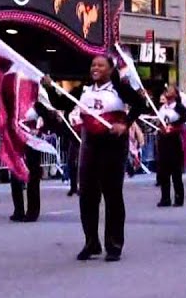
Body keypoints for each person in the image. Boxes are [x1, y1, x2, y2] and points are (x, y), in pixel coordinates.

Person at [42, 56, 145, 262]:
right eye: (93, 65)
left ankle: (114, 244)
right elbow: (62, 102)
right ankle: (91, 242)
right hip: (89, 143)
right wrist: (50, 87)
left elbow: (140, 104)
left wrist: (124, 124)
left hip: (113, 144)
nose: (96, 68)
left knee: (112, 194)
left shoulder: (119, 88)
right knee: (87, 195)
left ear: (110, 69)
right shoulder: (84, 89)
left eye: (101, 65)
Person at [154, 88, 186, 208]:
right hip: (163, 140)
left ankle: (179, 198)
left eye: (170, 90)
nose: (167, 92)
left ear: (175, 94)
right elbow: (160, 121)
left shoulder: (178, 107)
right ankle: (165, 198)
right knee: (164, 172)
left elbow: (185, 117)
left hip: (174, 141)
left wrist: (173, 126)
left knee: (176, 172)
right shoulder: (163, 107)